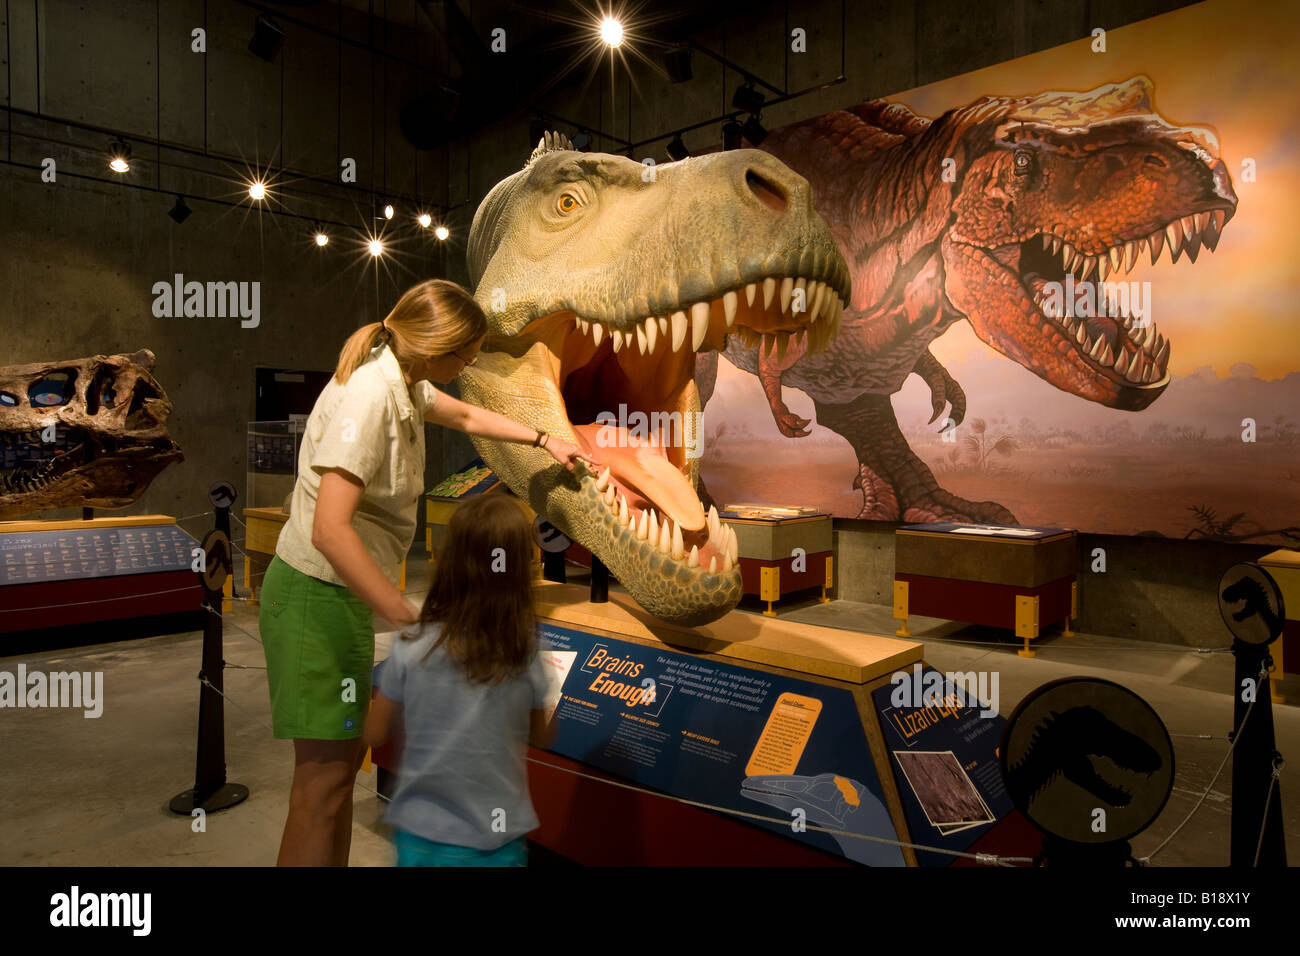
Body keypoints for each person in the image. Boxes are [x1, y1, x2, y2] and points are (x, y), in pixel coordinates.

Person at [259, 278, 594, 866]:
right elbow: (329, 529)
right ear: (437, 346)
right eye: (466, 354)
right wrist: (407, 614)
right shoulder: (369, 398)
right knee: (321, 790)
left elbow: (465, 415)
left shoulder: (405, 382)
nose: (468, 365)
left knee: (336, 787)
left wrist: (547, 440)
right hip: (316, 597)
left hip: (336, 601)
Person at [363, 493, 555, 867]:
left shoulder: (410, 645)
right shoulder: (526, 650)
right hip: (494, 843)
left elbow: (374, 733)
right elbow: (541, 735)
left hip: (419, 838)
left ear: (450, 562)